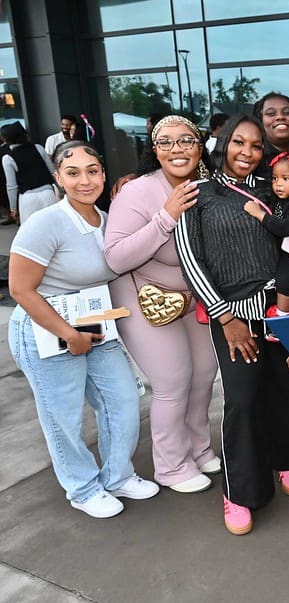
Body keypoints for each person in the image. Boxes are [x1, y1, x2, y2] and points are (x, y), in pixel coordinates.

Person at [175, 113, 289, 535]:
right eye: (239, 142)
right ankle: (239, 491)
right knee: (243, 399)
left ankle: (285, 458)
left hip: (279, 308)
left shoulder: (274, 186)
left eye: (256, 146)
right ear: (221, 142)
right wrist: (224, 316)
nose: (247, 152)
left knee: (286, 388)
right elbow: (189, 258)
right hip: (232, 314)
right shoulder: (197, 193)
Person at [8, 140, 159, 518]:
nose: (84, 180)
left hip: (95, 324)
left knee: (123, 401)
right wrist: (68, 334)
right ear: (58, 177)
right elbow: (20, 289)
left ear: (103, 174)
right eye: (72, 173)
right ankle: (81, 487)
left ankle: (118, 475)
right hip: (46, 329)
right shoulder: (46, 223)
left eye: (92, 171)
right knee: (64, 416)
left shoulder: (107, 220)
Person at [104, 115, 219, 493]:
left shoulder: (209, 187)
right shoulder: (137, 192)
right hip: (142, 295)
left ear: (199, 145)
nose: (176, 149)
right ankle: (170, 466)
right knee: (172, 381)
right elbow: (117, 257)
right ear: (154, 150)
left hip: (192, 298)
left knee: (204, 374)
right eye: (165, 142)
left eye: (185, 140)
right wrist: (166, 215)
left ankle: (198, 448)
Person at [243, 149, 289, 319]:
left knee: (286, 281)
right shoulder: (282, 200)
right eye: (275, 179)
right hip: (286, 250)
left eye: (286, 179)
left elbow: (284, 227)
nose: (278, 184)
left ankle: (282, 315)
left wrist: (259, 214)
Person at [2, 122, 58, 224]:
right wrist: (61, 189)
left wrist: (13, 208)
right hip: (48, 193)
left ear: (6, 139)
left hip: (27, 198)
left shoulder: (8, 158)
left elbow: (11, 186)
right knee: (55, 227)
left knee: (32, 232)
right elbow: (53, 171)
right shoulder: (38, 148)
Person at [253, 92, 289, 160]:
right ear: (260, 121)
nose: (280, 117)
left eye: (287, 112)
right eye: (271, 113)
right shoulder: (254, 160)